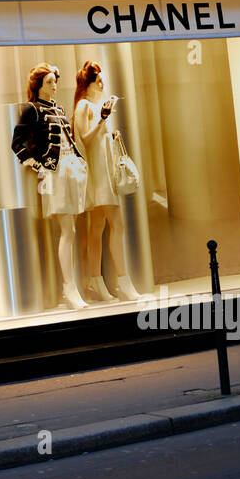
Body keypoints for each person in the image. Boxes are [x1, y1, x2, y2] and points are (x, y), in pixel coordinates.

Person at [12, 63, 89, 310]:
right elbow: (17, 143)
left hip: (71, 169)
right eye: (49, 82)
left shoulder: (58, 107)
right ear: (38, 85)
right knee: (68, 231)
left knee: (72, 230)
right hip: (55, 173)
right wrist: (37, 165)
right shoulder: (31, 110)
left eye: (55, 81)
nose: (54, 86)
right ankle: (69, 287)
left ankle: (72, 287)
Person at [73, 60, 148, 302]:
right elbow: (83, 138)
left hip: (104, 171)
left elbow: (96, 138)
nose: (103, 83)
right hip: (98, 174)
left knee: (98, 228)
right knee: (116, 225)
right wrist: (102, 120)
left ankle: (96, 281)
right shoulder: (84, 105)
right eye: (100, 79)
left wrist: (109, 131)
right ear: (90, 82)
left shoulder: (94, 106)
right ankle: (123, 281)